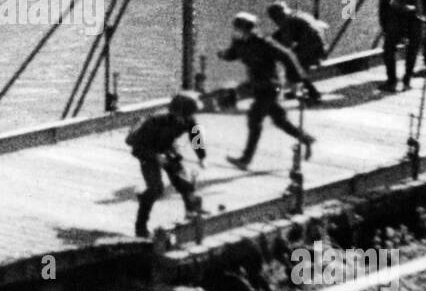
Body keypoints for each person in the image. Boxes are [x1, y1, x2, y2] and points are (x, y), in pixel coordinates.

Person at [218, 12, 315, 170]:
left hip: (271, 85)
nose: (236, 31)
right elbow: (234, 53)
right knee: (280, 121)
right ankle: (306, 139)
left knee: (254, 119)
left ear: (249, 30)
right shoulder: (239, 41)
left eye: (240, 28)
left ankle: (245, 159)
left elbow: (287, 55)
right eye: (236, 28)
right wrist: (224, 55)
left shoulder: (264, 43)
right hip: (257, 84)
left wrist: (298, 79)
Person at [125, 91, 206, 239]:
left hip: (166, 148)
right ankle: (140, 227)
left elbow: (195, 134)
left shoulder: (188, 120)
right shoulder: (155, 121)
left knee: (184, 182)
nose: (189, 119)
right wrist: (155, 157)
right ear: (178, 113)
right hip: (147, 152)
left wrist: (202, 156)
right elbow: (136, 148)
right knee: (155, 189)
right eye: (187, 115)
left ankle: (190, 213)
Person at [378, 0, 426, 91]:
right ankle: (407, 80)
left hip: (397, 16)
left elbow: (384, 0)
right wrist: (424, 15)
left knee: (389, 48)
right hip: (416, 17)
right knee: (413, 49)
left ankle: (392, 81)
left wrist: (383, 21)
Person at [266, 1, 327, 102]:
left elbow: (287, 43)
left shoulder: (286, 21)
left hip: (312, 49)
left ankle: (312, 94)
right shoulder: (297, 14)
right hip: (318, 46)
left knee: (291, 66)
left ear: (276, 16)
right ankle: (300, 88)